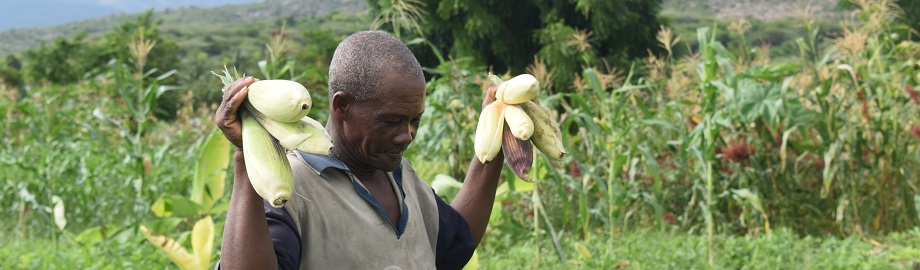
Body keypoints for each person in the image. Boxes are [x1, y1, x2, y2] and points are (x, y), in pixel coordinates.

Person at [215, 30, 504, 269]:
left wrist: (495, 139)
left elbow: (455, 241)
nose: (407, 136)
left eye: (415, 120)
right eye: (391, 121)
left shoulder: (399, 175)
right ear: (342, 106)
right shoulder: (295, 190)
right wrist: (247, 155)